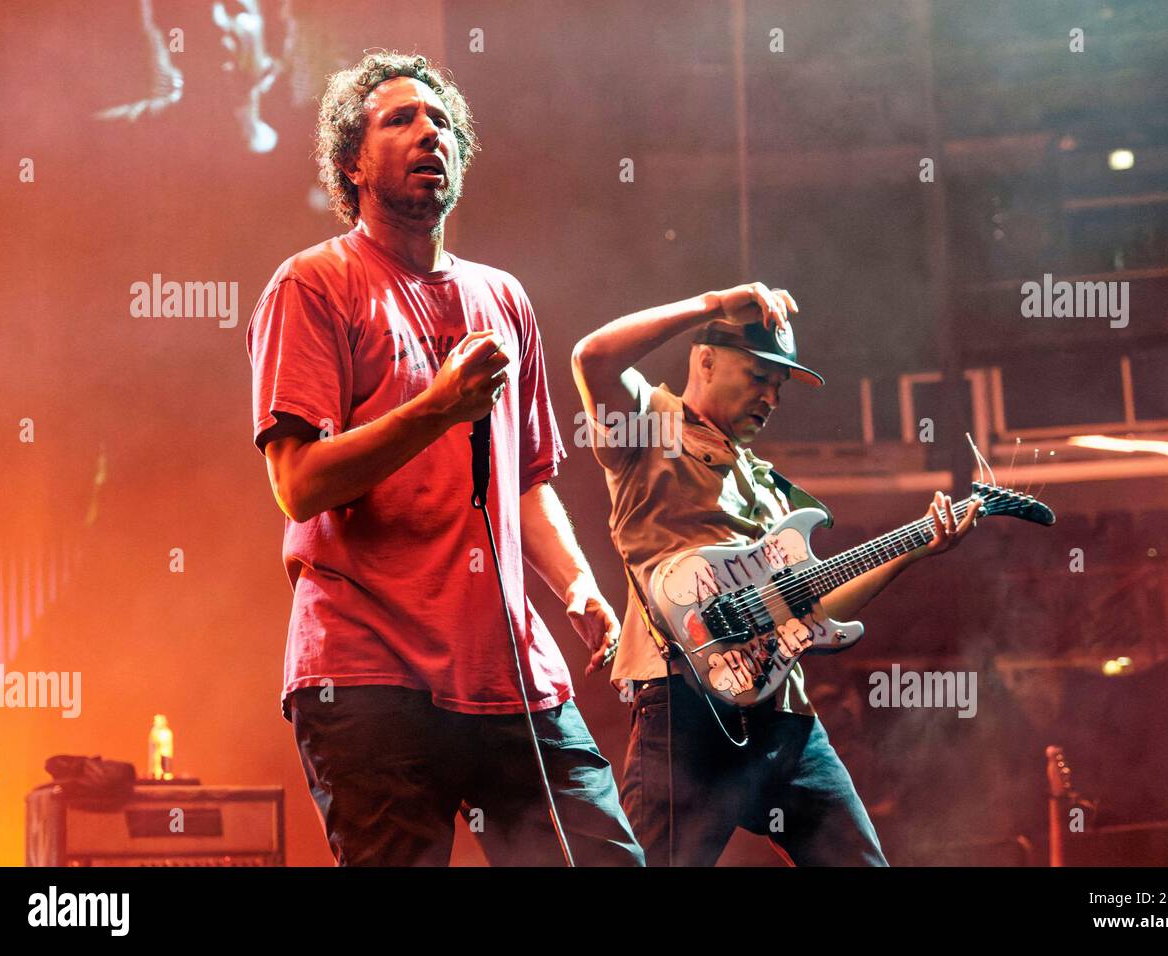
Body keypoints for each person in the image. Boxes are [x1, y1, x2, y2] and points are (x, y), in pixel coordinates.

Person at [246, 51, 642, 866]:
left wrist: (576, 585)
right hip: (366, 674)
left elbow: (526, 477)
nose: (431, 133)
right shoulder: (313, 285)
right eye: (401, 119)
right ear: (352, 162)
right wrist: (438, 407)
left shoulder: (505, 297)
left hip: (509, 669)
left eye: (442, 123)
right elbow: (297, 485)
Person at [571, 283, 979, 865]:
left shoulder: (769, 490)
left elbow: (822, 612)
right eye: (759, 376)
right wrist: (711, 304)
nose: (771, 397)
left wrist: (915, 549)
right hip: (684, 709)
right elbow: (592, 357)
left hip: (782, 715)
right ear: (705, 360)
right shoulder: (651, 426)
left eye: (779, 386)